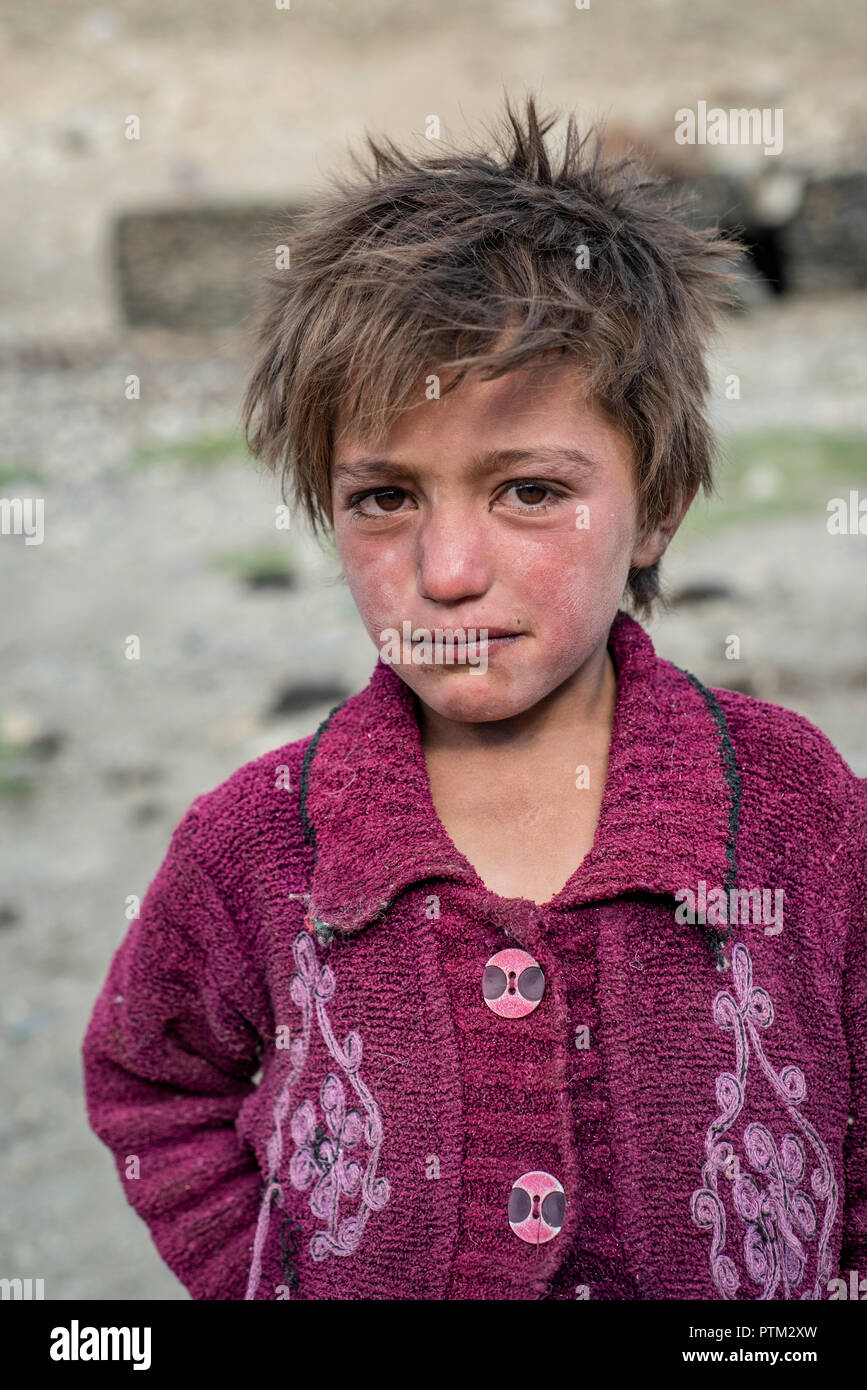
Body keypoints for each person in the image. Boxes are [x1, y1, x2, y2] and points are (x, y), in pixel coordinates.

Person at [81, 93, 866, 1300]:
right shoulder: (255, 846)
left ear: (657, 504)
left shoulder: (800, 812)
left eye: (530, 492)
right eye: (385, 498)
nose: (446, 572)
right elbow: (152, 1079)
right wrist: (263, 1275)